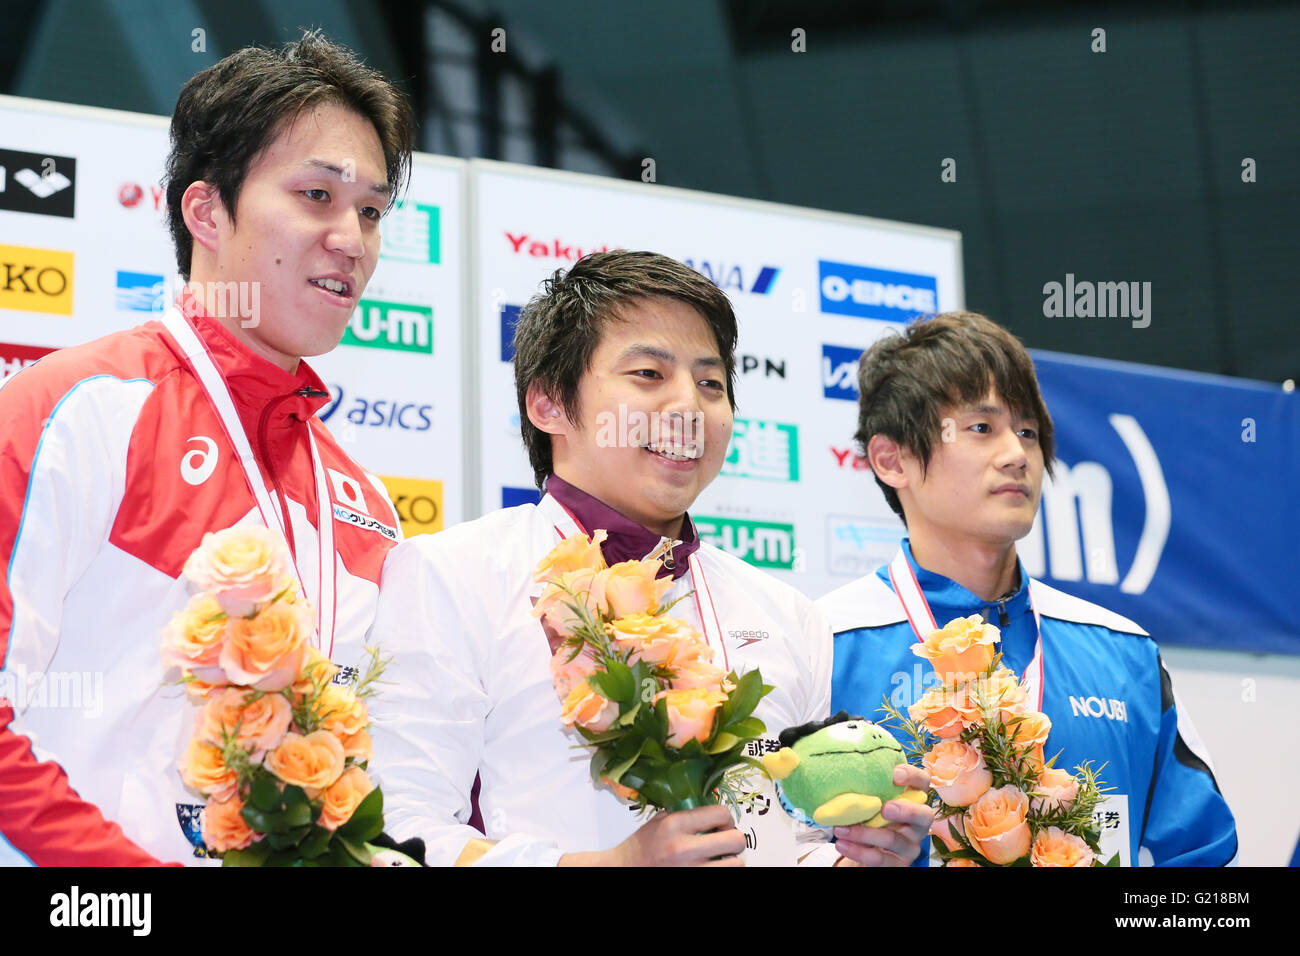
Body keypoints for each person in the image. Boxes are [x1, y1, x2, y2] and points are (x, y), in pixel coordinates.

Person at [369, 250, 933, 866]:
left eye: (711, 383)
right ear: (549, 404)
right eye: (648, 374)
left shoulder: (783, 613)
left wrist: (859, 857)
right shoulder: (454, 575)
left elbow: (780, 844)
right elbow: (400, 832)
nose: (689, 406)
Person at [0, 31, 413, 865]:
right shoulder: (77, 408)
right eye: (317, 195)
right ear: (206, 211)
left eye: (371, 211)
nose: (353, 238)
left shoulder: (364, 509)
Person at [818, 311, 1238, 866]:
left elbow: (1206, 858)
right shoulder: (823, 644)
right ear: (891, 459)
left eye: (1028, 432)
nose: (1017, 454)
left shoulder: (1124, 652)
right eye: (981, 428)